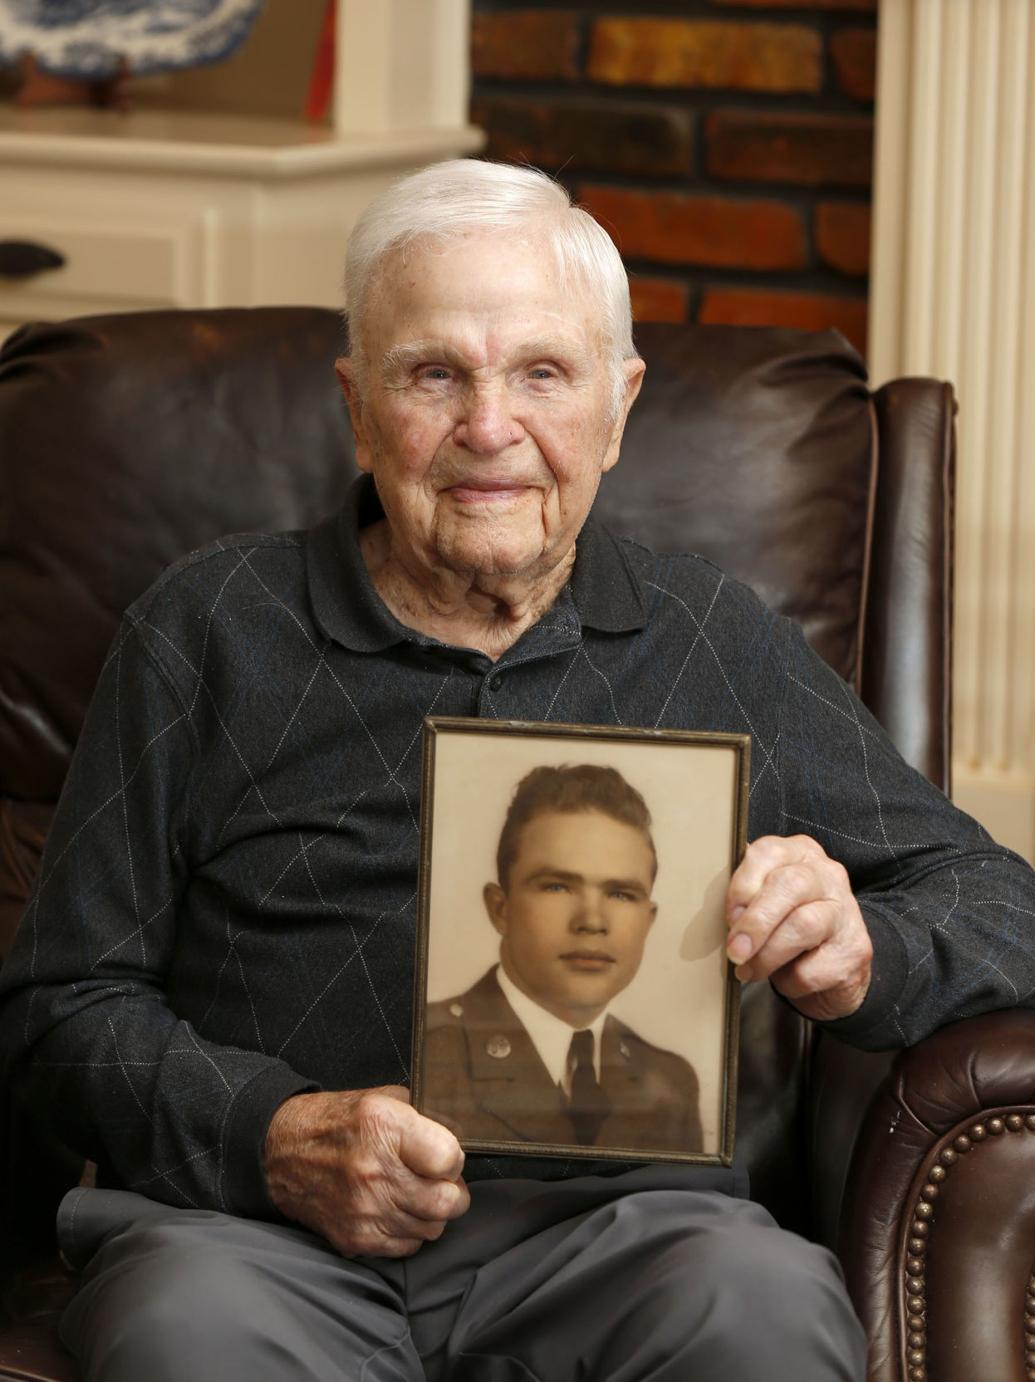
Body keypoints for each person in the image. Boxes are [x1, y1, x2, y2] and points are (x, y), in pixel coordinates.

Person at [1, 157, 1034, 1382]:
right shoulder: (205, 629)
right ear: (355, 403)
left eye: (543, 372)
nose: (490, 428)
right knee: (184, 1329)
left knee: (762, 1304)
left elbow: (997, 902)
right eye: (434, 373)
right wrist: (270, 1134)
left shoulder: (715, 636)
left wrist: (866, 943)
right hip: (257, 1240)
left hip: (622, 1240)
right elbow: (57, 1006)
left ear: (618, 403)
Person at [424, 764, 703, 1153]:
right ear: (500, 908)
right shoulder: (430, 1052)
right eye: (557, 886)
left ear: (648, 920)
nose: (592, 921)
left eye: (621, 893)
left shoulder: (671, 1081)